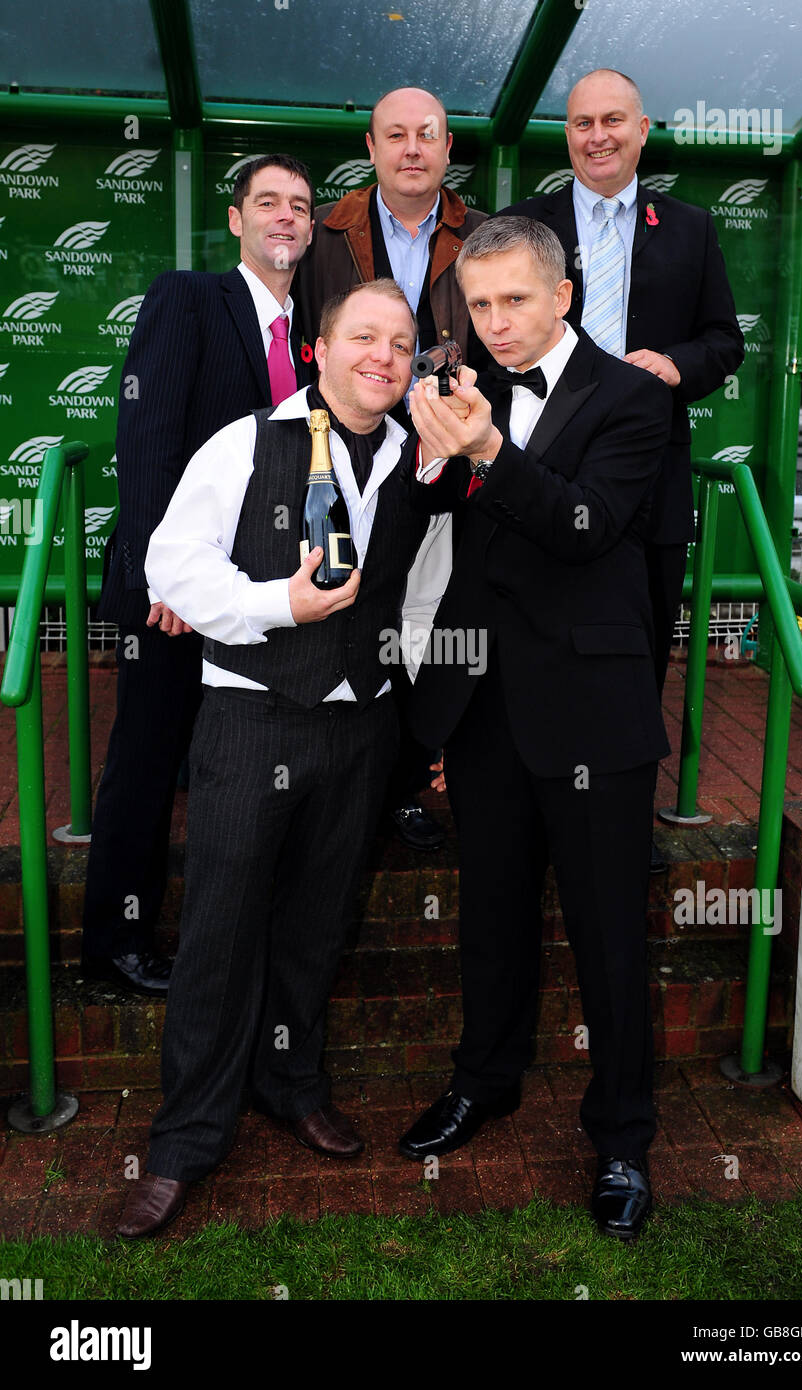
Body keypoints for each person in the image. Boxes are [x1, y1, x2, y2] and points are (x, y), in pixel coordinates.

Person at [117, 280, 431, 1237]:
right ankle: (181, 1144)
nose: (384, 355)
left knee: (316, 924)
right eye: (363, 336)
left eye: (403, 342)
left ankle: (290, 1085)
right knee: (218, 934)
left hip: (360, 725)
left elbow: (426, 586)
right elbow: (171, 564)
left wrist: (407, 692)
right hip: (253, 719)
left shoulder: (424, 458)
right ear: (318, 350)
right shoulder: (245, 440)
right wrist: (275, 606)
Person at [397, 218, 672, 1242]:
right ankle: (485, 1082)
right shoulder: (461, 394)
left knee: (606, 936)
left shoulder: (634, 398)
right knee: (491, 917)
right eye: (478, 304)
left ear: (564, 295)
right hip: (481, 704)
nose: (496, 322)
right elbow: (435, 540)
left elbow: (586, 527)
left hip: (592, 709)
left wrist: (485, 451)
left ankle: (622, 1140)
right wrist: (434, 462)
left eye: (515, 299)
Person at [81, 155, 315, 993]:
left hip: (251, 602)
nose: (285, 217)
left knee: (229, 766)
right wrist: (163, 580)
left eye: (299, 206)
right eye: (268, 203)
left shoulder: (315, 336)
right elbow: (144, 442)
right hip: (173, 598)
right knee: (147, 759)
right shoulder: (189, 298)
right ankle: (117, 943)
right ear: (236, 220)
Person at [501, 69, 744, 868]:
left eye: (612, 121)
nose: (596, 136)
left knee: (636, 659)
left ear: (644, 130)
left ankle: (620, 826)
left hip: (648, 485)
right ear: (565, 135)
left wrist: (672, 367)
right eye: (580, 123)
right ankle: (539, 812)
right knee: (539, 639)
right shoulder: (525, 225)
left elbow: (723, 342)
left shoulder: (690, 228)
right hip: (542, 479)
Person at [296, 86, 488, 851]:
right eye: (395, 135)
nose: (413, 149)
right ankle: (340, 783)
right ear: (370, 149)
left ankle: (404, 783)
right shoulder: (322, 236)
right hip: (344, 456)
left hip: (446, 458)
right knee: (349, 605)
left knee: (428, 620)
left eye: (427, 136)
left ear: (448, 149)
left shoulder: (487, 235)